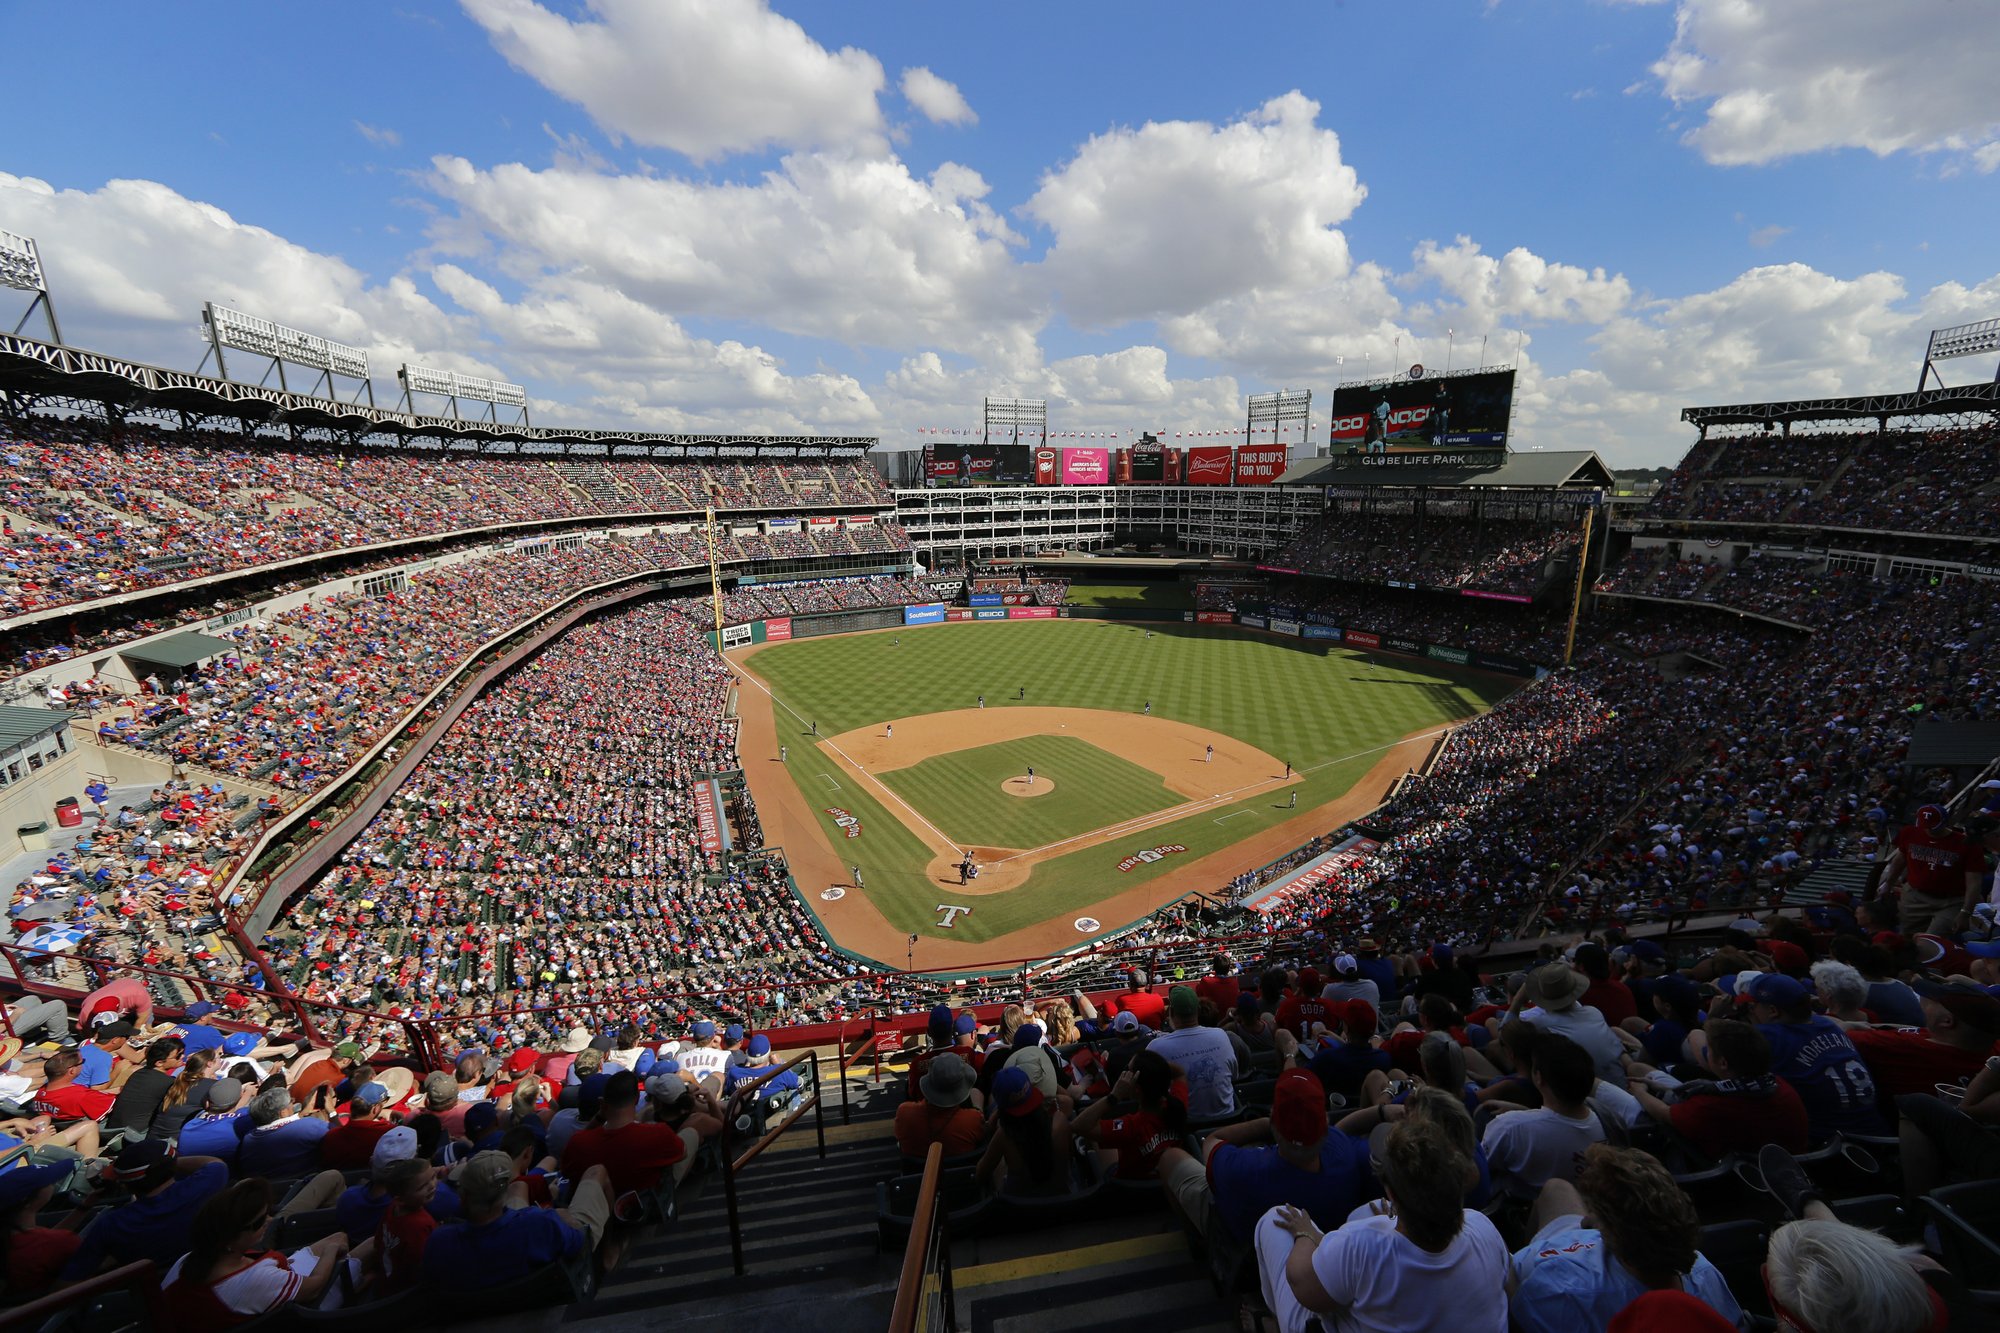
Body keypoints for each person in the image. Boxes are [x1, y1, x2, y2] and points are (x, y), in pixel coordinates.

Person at [1256, 1118, 1506, 1333]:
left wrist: (1305, 1234)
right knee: (1367, 1212)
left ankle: (1277, 1321)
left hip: (1331, 1298)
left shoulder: (1362, 1248)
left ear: (1394, 1195)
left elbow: (1303, 1287)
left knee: (1274, 1220)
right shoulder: (1483, 1228)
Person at [1508, 1145, 1743, 1332]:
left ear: (1614, 1234)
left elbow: (1513, 1309)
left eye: (1597, 1213)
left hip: (1543, 1264)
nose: (1587, 1219)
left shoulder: (1564, 1291)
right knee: (1557, 1189)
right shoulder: (1704, 1273)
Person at [1160, 1068, 1373, 1245]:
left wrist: (1267, 1125)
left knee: (1169, 1157)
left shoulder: (1242, 1168)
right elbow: (1339, 1133)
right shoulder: (1344, 1154)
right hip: (1315, 1252)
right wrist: (1381, 1112)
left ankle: (1198, 1244)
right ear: (1325, 1123)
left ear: (1274, 1121)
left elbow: (1212, 1140)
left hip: (1239, 1245)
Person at [159, 1178, 356, 1323]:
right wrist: (330, 1251)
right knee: (359, 1251)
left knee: (339, 1237)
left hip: (273, 1287)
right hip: (301, 1311)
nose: (269, 1221)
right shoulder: (255, 1280)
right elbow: (314, 1288)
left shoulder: (187, 1261)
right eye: (260, 1222)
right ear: (230, 1239)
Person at [421, 1150, 611, 1288]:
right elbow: (579, 1243)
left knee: (520, 1190)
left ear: (463, 1196)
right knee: (595, 1172)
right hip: (545, 1298)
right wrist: (564, 1217)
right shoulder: (541, 1224)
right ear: (502, 1194)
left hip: (487, 1307)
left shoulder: (438, 1243)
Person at [1626, 1020, 1808, 1160]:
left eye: (1709, 1050)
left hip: (1741, 1180)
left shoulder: (1709, 1107)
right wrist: (1663, 1087)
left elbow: (1663, 1113)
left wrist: (1639, 1091)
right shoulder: (1777, 1084)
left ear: (1723, 1063)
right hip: (1785, 1165)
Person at [1745, 972, 1888, 1142]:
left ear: (1773, 1011)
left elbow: (1712, 1051)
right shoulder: (1827, 1024)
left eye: (1752, 1006)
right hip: (1880, 1138)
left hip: (1831, 1148)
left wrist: (1714, 1015)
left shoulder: (1770, 1036)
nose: (1751, 1011)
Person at [62, 1139, 230, 1280]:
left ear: (126, 1184)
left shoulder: (112, 1224)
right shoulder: (205, 1184)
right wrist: (166, 1163)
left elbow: (68, 1281)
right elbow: (214, 1163)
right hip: (209, 1275)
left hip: (149, 1295)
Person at [1480, 1033, 1606, 1200]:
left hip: (1526, 1212)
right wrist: (1525, 1111)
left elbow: (1480, 1168)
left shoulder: (1509, 1127)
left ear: (1538, 1077)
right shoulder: (1606, 1118)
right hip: (1588, 1206)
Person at [560, 1071, 694, 1198]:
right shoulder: (657, 1133)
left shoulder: (577, 1143)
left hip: (601, 1210)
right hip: (648, 1206)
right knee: (691, 1133)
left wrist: (599, 1117)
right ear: (636, 1099)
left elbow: (565, 1171)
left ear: (603, 1103)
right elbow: (683, 1153)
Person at [1072, 1050, 1185, 1181]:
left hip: (1128, 1187)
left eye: (1127, 1071)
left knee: (1093, 1134)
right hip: (1167, 1181)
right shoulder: (1178, 1104)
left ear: (1136, 1087)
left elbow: (1078, 1126)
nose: (1124, 1074)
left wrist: (1114, 1096)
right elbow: (1180, 1073)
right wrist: (1157, 1069)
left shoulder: (1130, 1126)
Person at [1881, 803, 1988, 936]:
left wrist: (1965, 912)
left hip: (1952, 901)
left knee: (1932, 939)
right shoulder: (1910, 833)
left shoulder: (1966, 843)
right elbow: (1899, 860)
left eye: (1933, 826)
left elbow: (1974, 881)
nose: (1929, 830)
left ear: (1945, 822)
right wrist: (1888, 883)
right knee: (1906, 936)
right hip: (1915, 896)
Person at [975, 1066, 1071, 1197]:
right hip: (1062, 1201)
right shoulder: (1059, 1121)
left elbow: (980, 1174)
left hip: (1021, 1210)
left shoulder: (1004, 1135)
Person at [1146, 986, 1238, 1120]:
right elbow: (1234, 1076)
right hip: (1228, 1119)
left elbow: (1150, 1094)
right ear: (1198, 1010)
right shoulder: (1221, 1035)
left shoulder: (1156, 1047)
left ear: (1171, 1013)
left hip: (1184, 1127)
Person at [895, 1053, 984, 1159]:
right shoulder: (973, 1119)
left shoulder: (904, 1113)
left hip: (916, 1174)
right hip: (963, 1173)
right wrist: (978, 1108)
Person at [104, 1037, 184, 1139]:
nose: (183, 1056)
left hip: (114, 1127)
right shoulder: (167, 1083)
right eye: (178, 1056)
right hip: (134, 1134)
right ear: (159, 1063)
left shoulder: (139, 1073)